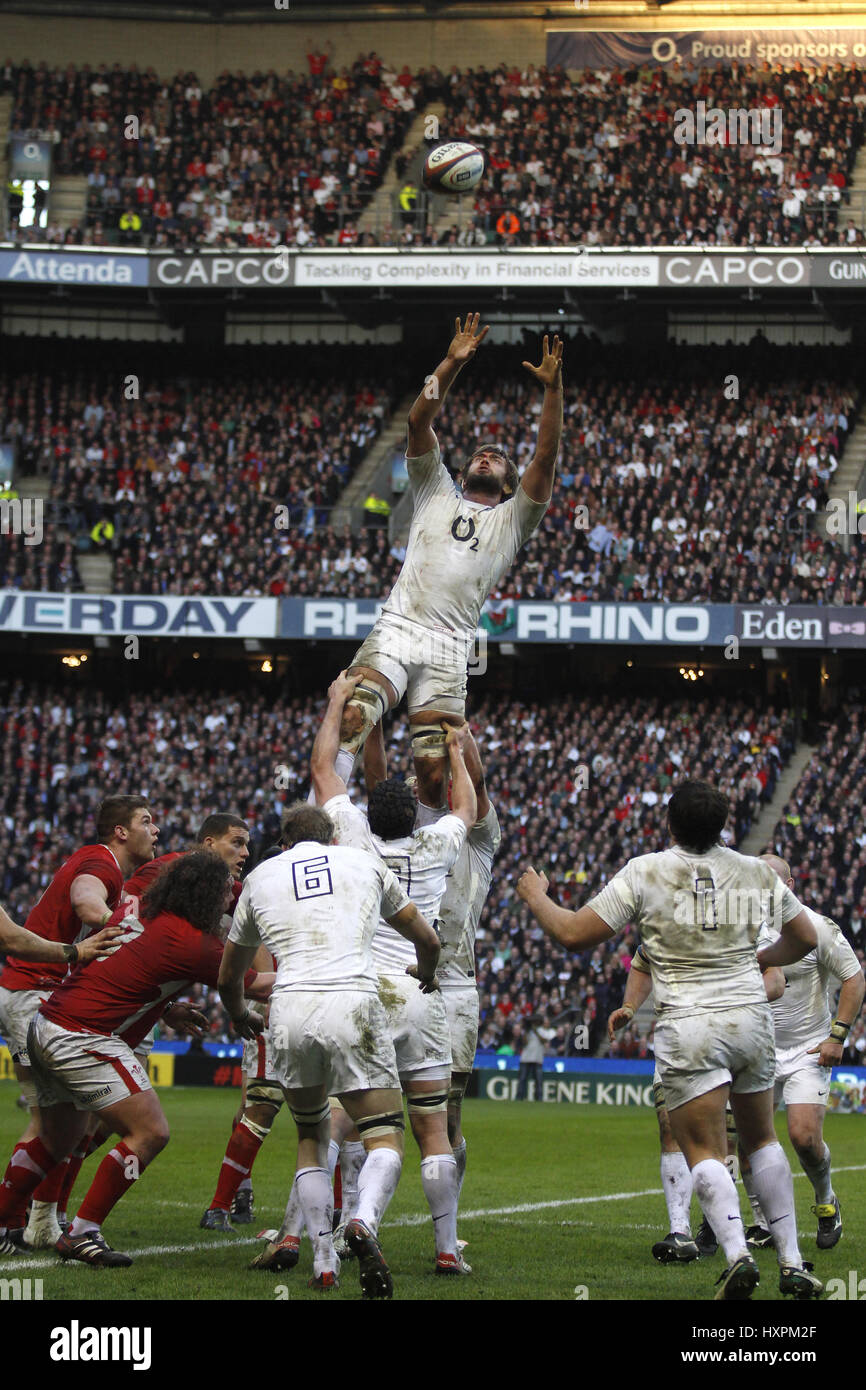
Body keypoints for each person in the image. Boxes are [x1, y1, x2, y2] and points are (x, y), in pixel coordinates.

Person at [517, 779, 822, 1302]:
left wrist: (536, 896)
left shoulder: (645, 870)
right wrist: (760, 962)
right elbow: (806, 938)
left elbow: (572, 933)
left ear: (670, 824)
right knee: (762, 1140)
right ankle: (792, 1263)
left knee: (703, 1148)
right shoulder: (755, 871)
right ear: (723, 825)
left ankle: (737, 1256)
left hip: (690, 1027)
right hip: (751, 1020)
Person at [331, 313, 563, 812]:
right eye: (480, 454)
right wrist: (452, 363)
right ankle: (322, 815)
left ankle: (423, 856)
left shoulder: (513, 519)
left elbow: (545, 456)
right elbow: (419, 421)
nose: (486, 457)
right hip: (399, 623)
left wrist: (552, 392)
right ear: (461, 471)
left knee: (432, 769)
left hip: (450, 646)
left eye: (497, 457)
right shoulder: (435, 489)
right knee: (355, 715)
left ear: (507, 482)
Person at [0, 852, 274, 1266]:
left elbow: (125, 975)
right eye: (223, 892)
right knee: (150, 1131)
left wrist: (167, 1010)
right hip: (81, 1035)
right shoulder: (192, 942)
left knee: (57, 1139)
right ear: (203, 894)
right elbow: (252, 983)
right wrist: (321, 969)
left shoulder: (148, 916)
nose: (228, 900)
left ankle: (4, 1223)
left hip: (49, 1021)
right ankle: (83, 1231)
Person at [219, 801, 440, 1298]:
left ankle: (322, 1262)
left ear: (284, 843)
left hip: (290, 1008)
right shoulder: (363, 863)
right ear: (333, 838)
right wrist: (425, 970)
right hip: (354, 1003)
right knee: (383, 1133)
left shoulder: (260, 877)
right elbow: (425, 937)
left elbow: (229, 975)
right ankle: (362, 1221)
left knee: (311, 1136)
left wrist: (238, 1014)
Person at [309, 671, 477, 1275]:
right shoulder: (437, 845)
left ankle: (329, 1239)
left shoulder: (353, 842)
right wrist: (454, 749)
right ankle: (446, 1249)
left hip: (361, 993)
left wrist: (335, 705)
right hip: (418, 990)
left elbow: (325, 771)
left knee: (344, 1122)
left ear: (368, 813)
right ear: (415, 816)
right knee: (433, 1128)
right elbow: (465, 805)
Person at [0, 794, 158, 1250]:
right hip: (35, 991)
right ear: (120, 832)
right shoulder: (102, 864)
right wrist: (113, 922)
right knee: (58, 1124)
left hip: (33, 992)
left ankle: (31, 1222)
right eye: (146, 822)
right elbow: (85, 898)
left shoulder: (105, 865)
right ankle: (25, 1223)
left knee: (68, 1124)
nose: (156, 830)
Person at [608, 937, 785, 1265]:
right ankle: (679, 1232)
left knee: (726, 1142)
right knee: (668, 1126)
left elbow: (775, 981)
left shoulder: (739, 915)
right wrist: (631, 1006)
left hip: (726, 1042)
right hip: (675, 1039)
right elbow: (642, 961)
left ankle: (718, 1223)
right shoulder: (664, 915)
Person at [740, 854, 865, 1251]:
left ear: (790, 884)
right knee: (747, 1143)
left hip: (807, 1047)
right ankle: (762, 1222)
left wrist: (837, 1036)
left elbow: (854, 979)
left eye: (773, 881)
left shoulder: (816, 926)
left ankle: (826, 1201)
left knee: (803, 1136)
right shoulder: (738, 928)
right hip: (757, 1049)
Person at [424, 726, 500, 1209]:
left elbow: (480, 783)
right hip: (403, 982)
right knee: (369, 1109)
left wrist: (460, 743)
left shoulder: (480, 842)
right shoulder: (420, 837)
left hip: (453, 988)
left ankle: (447, 1230)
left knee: (448, 1116)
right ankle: (351, 1219)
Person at [516, 1015, 554, 1101]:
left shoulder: (542, 1031)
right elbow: (524, 1043)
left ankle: (539, 1097)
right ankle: (519, 1097)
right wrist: (526, 1031)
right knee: (522, 1079)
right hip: (526, 1058)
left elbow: (544, 1040)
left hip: (537, 1058)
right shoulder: (526, 1031)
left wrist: (535, 1031)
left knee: (538, 1080)